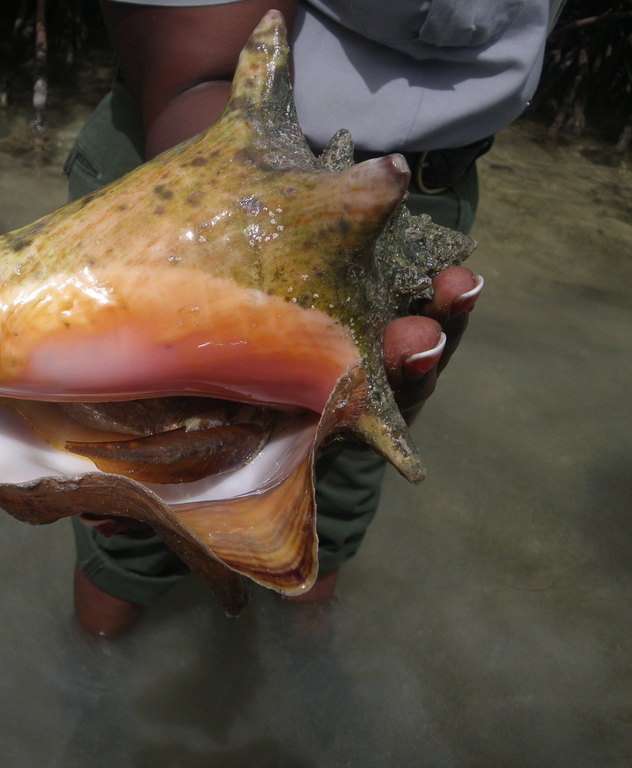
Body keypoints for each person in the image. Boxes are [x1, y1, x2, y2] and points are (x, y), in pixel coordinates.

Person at [64, 0, 552, 636]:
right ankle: (95, 678)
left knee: (333, 501)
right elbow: (199, 69)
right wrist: (212, 315)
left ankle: (305, 681)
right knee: (138, 506)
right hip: (202, 156)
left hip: (428, 186)